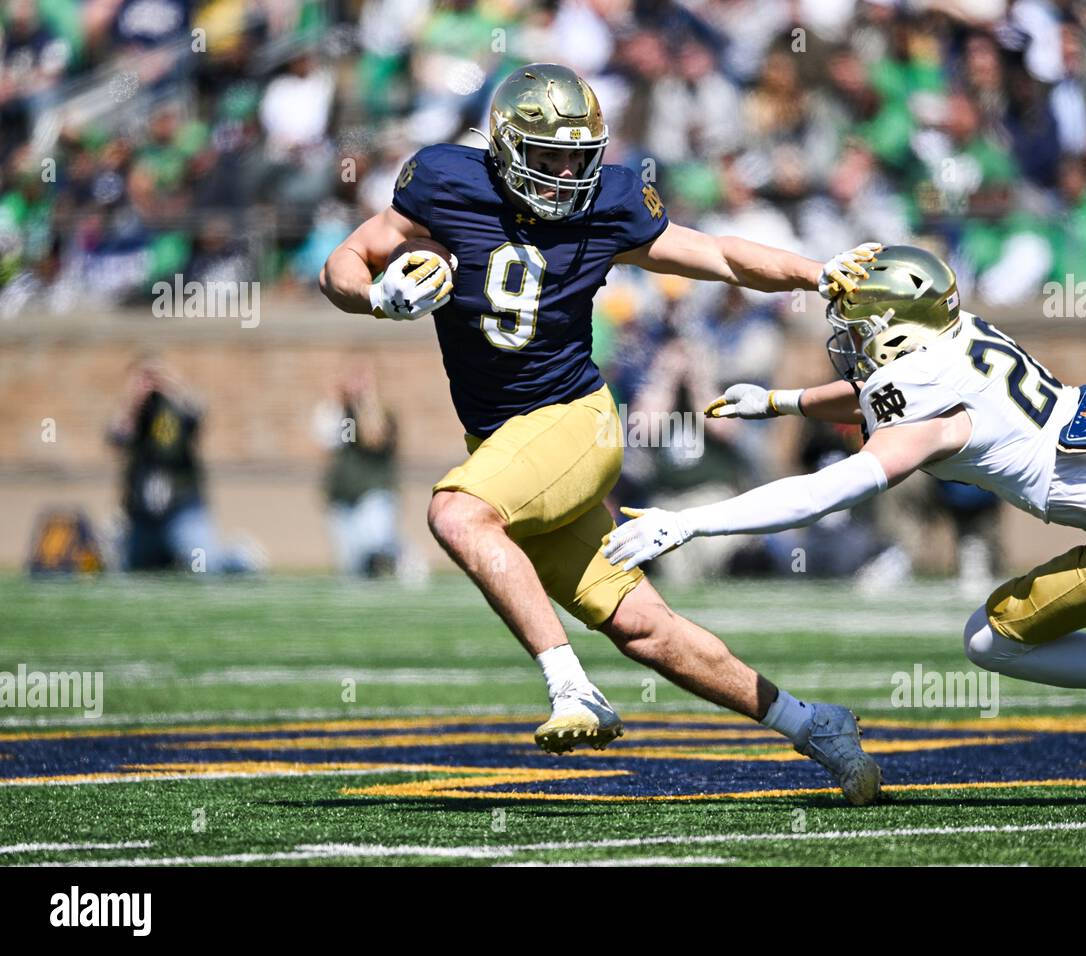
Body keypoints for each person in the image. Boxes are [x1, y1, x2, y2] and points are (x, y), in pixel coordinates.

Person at [318, 63, 884, 804]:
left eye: (578, 156)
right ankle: (815, 725)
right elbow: (343, 263)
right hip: (505, 447)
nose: (565, 173)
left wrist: (818, 273)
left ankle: (571, 688)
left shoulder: (610, 203)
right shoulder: (444, 180)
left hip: (577, 424)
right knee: (646, 629)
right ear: (505, 147)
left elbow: (717, 255)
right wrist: (377, 297)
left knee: (457, 512)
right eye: (548, 155)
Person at [606, 243, 1086, 784]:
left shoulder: (926, 400)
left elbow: (831, 487)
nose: (848, 339)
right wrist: (784, 402)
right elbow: (878, 394)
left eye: (859, 326)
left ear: (897, 328)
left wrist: (694, 521)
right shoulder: (959, 331)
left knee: (990, 639)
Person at [107, 355, 253, 573]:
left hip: (182, 511)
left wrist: (174, 386)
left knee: (207, 567)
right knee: (131, 574)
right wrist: (133, 400)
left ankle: (239, 558)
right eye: (143, 378)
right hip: (143, 519)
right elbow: (116, 438)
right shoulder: (133, 415)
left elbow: (197, 414)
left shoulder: (174, 410)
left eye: (153, 377)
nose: (150, 384)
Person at [317, 362, 401, 577]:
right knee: (352, 568)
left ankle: (403, 557)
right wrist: (336, 401)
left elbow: (373, 436)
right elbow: (327, 444)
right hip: (343, 495)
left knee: (374, 546)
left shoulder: (384, 413)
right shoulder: (340, 414)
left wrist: (367, 399)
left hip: (373, 491)